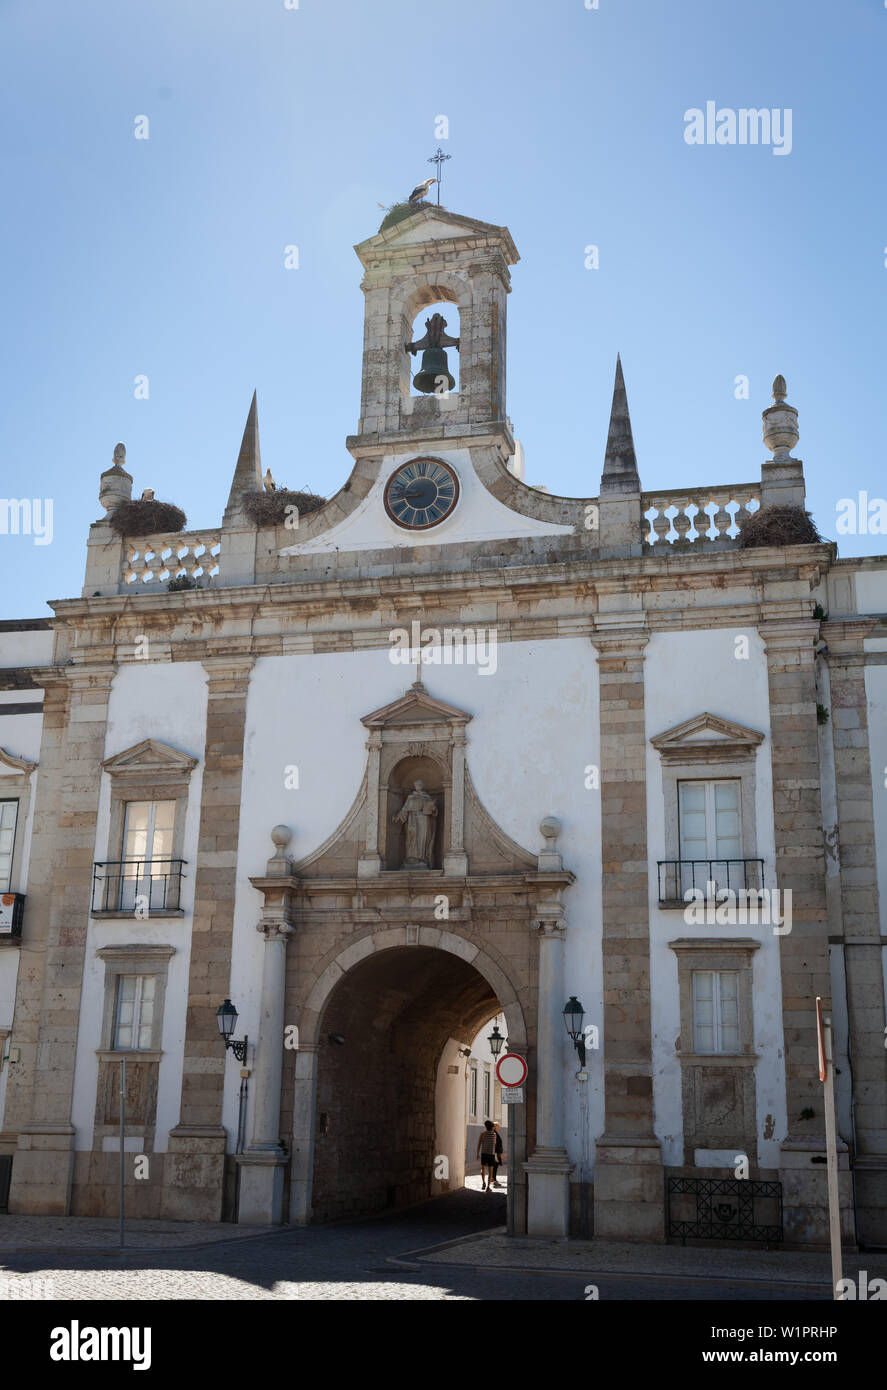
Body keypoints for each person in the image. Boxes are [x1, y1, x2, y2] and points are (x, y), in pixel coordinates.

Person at [476, 1119, 497, 1191]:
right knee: (490, 1170)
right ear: (492, 1127)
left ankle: (483, 1183)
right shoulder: (494, 1135)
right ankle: (488, 1187)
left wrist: (477, 1153)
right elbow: (494, 1144)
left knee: (483, 1169)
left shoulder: (482, 1134)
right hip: (491, 1154)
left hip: (483, 1153)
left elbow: (479, 1144)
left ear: (486, 1127)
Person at [491, 1122, 505, 1189]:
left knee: (495, 1166)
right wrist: (500, 1153)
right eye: (498, 1126)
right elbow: (496, 1144)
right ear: (495, 1126)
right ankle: (494, 1179)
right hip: (496, 1153)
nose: (499, 1127)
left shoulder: (495, 1132)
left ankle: (493, 1178)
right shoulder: (494, 1133)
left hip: (496, 1152)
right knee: (495, 1166)